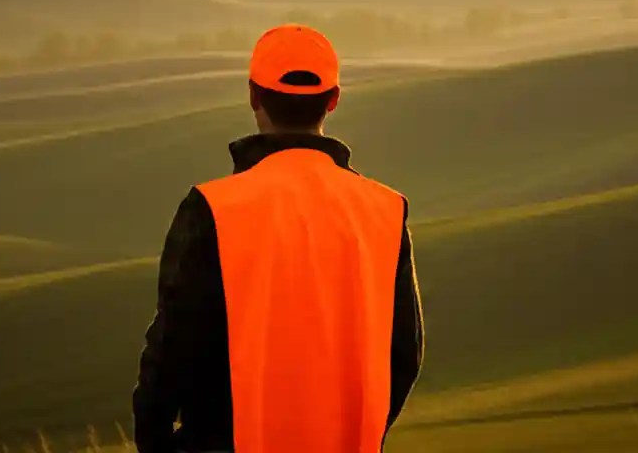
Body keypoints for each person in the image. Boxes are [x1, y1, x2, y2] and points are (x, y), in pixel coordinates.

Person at [133, 23, 424, 453]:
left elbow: (171, 348)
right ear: (334, 99)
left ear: (253, 95)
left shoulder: (211, 209)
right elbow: (404, 355)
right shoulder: (385, 211)